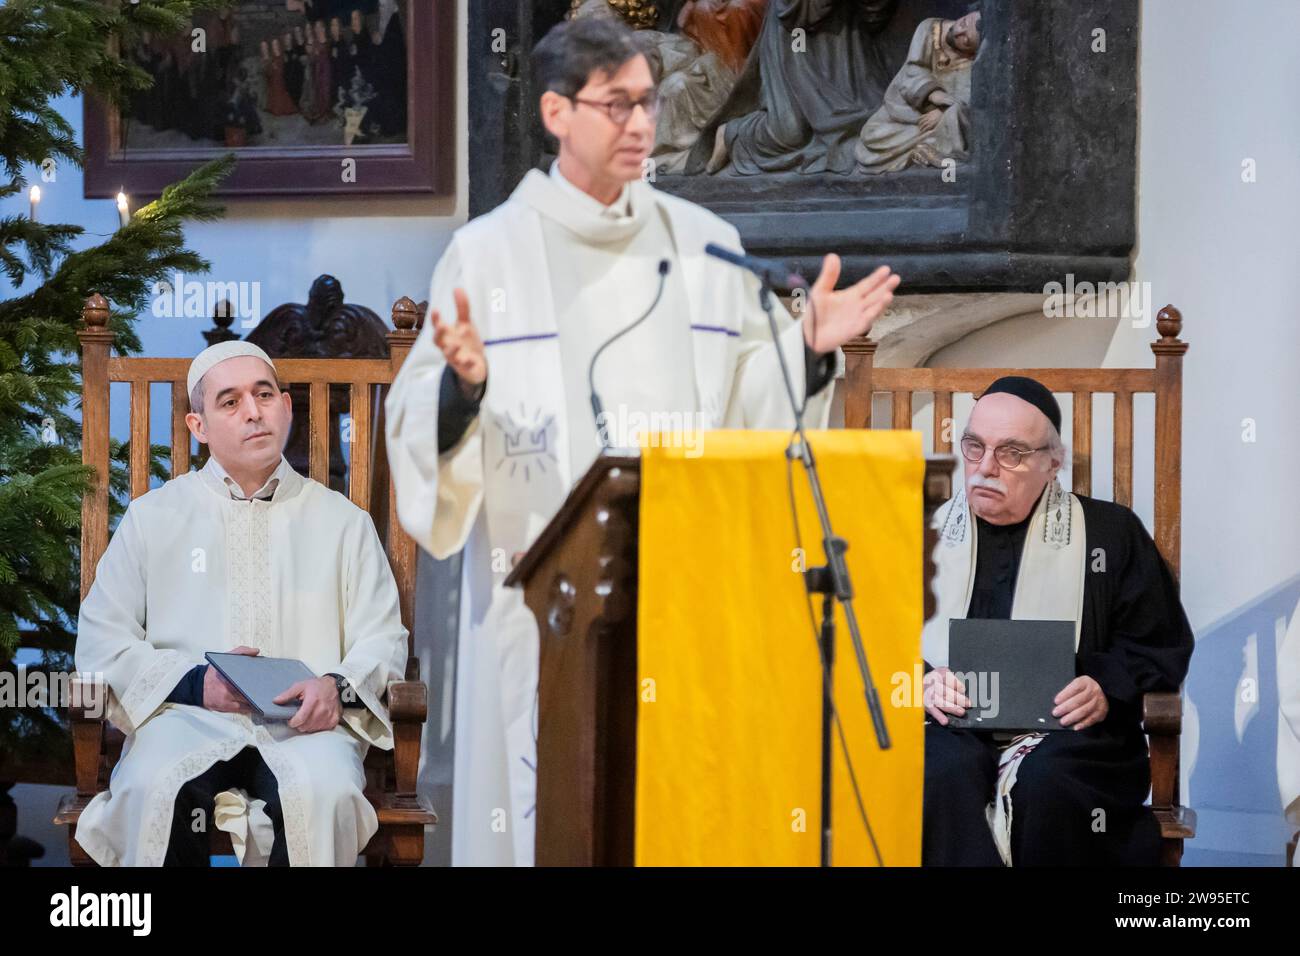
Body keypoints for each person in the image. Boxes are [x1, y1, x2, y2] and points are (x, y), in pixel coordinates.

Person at [385, 16, 900, 865]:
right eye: (616, 104)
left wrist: (805, 351)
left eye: (648, 103)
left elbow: (753, 416)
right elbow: (420, 433)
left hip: (683, 592)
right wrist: (461, 390)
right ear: (556, 112)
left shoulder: (706, 247)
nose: (641, 124)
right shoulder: (486, 256)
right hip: (534, 610)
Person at [75, 342, 407, 866]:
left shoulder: (344, 523)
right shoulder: (152, 519)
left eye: (265, 394)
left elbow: (383, 637)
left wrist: (334, 687)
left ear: (286, 408)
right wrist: (194, 684)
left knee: (322, 796)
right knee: (153, 789)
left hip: (306, 728)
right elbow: (101, 638)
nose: (254, 411)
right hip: (184, 720)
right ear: (198, 426)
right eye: (229, 402)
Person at [921, 376, 1194, 866]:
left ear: (1052, 463)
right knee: (936, 774)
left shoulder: (1110, 535)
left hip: (1068, 737)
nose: (985, 468)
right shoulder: (919, 532)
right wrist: (919, 682)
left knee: (1050, 786)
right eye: (974, 447)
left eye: (1011, 454)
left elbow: (1159, 642)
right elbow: (865, 641)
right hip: (944, 729)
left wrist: (1105, 686)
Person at [855, 12, 981, 173]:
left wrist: (942, 113)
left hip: (940, 120)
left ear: (973, 51)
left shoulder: (973, 63)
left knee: (954, 120)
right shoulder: (930, 28)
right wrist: (931, 94)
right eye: (963, 23)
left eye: (966, 40)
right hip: (907, 104)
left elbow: (965, 99)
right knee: (872, 136)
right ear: (966, 15)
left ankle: (931, 149)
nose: (957, 33)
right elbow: (912, 69)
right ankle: (929, 144)